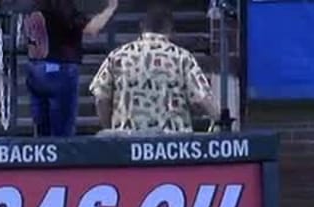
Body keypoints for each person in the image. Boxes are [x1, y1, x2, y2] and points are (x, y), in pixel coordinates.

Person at [89, 2, 212, 135]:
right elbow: (202, 100)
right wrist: (217, 121)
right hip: (171, 145)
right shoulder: (182, 58)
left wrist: (110, 128)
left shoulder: (118, 56)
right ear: (170, 29)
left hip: (127, 144)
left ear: (141, 27)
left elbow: (101, 97)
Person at [24, 0, 116, 138]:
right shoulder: (60, 4)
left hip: (35, 68)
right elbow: (92, 29)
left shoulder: (33, 5)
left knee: (42, 136)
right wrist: (110, 9)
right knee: (62, 135)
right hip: (58, 69)